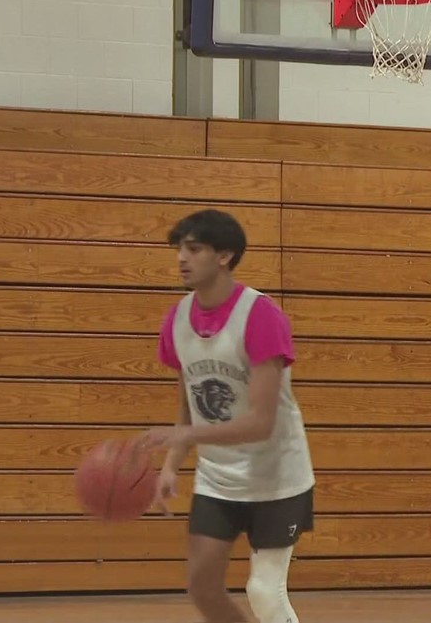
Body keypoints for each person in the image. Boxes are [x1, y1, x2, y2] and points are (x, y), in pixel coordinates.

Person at [141, 208, 315, 623]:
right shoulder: (177, 318)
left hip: (276, 476)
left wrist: (183, 437)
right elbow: (188, 399)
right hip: (219, 478)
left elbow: (260, 423)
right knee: (202, 587)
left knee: (263, 592)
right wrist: (170, 466)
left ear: (224, 255)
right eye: (179, 249)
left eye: (194, 248)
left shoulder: (261, 316)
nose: (182, 258)